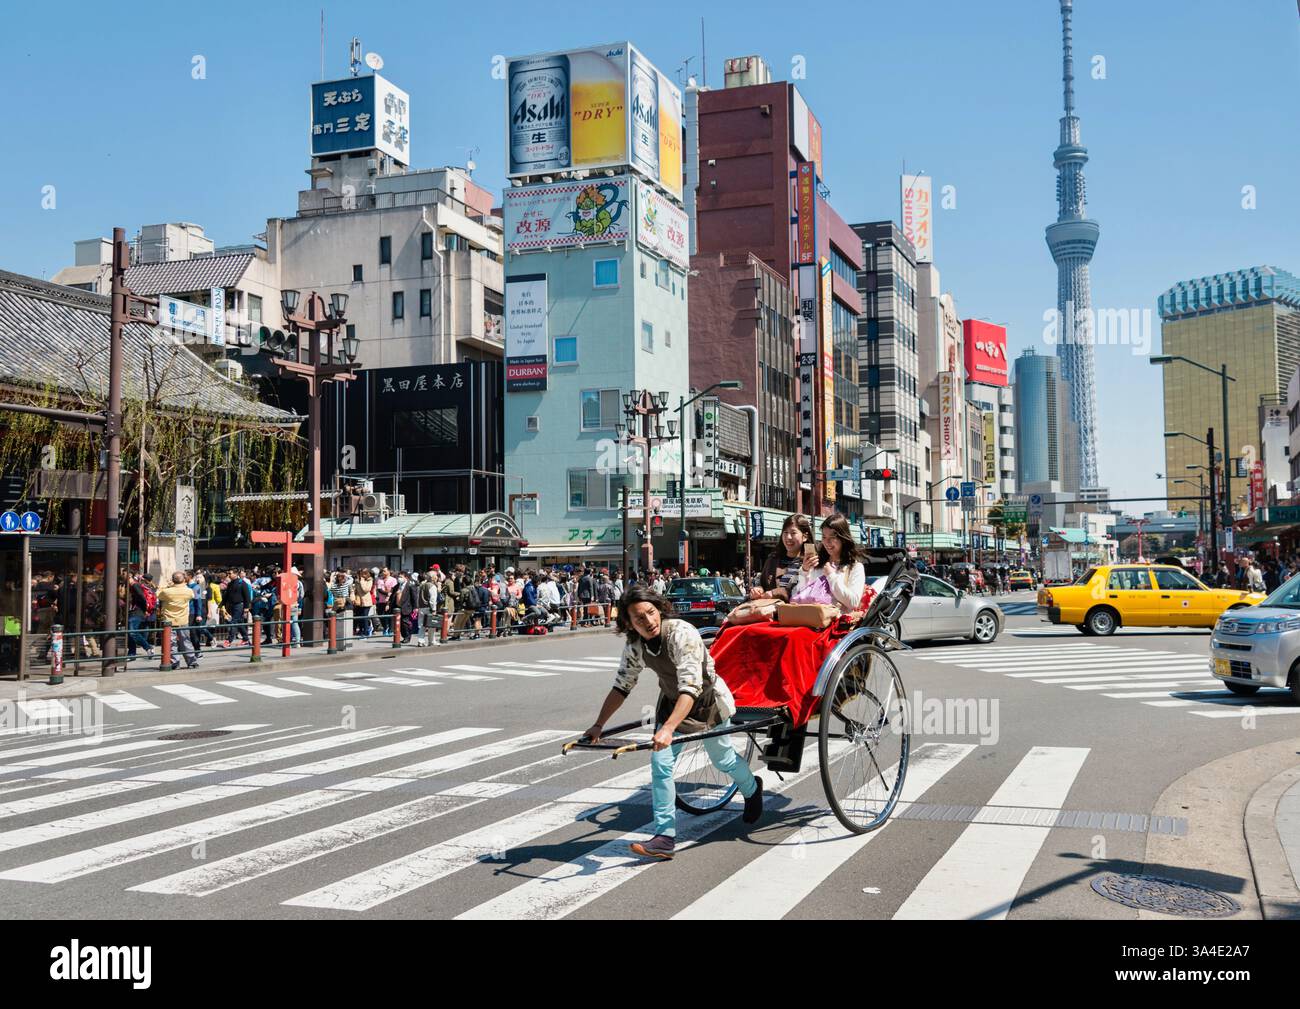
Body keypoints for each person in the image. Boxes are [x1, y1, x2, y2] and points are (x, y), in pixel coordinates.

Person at [582, 585, 763, 861]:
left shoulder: (682, 633)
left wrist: (667, 729)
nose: (648, 622)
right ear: (629, 624)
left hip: (705, 702)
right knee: (661, 764)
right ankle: (665, 837)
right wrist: (598, 725)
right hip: (671, 704)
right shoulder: (635, 644)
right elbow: (622, 686)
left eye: (651, 613)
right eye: (639, 619)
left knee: (723, 760)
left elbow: (691, 687)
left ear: (660, 610)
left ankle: (752, 789)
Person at [752, 514, 814, 602]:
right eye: (785, 532)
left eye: (793, 533)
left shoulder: (810, 562)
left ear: (805, 537)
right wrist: (758, 589)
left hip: (797, 613)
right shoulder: (772, 559)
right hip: (770, 613)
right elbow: (762, 583)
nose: (788, 537)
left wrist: (775, 593)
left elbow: (803, 590)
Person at [158, 571, 200, 670]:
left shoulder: (167, 592)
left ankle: (175, 662)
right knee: (186, 641)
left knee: (171, 643)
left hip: (168, 620)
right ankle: (192, 662)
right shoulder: (188, 591)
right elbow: (193, 597)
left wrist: (166, 586)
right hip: (183, 619)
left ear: (173, 580)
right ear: (184, 580)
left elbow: (158, 595)